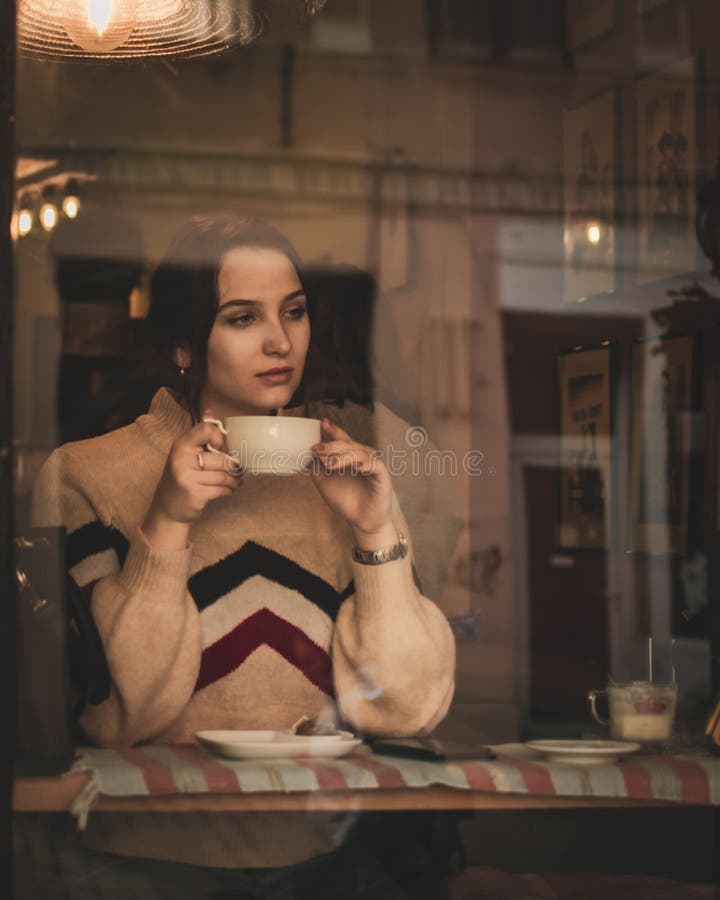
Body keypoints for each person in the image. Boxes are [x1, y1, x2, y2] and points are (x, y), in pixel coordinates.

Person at [29, 214, 457, 895]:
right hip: (145, 868)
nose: (280, 340)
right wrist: (166, 524)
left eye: (294, 311)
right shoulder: (86, 474)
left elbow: (406, 710)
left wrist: (377, 533)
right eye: (242, 317)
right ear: (182, 344)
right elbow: (115, 717)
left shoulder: (349, 470)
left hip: (331, 863)